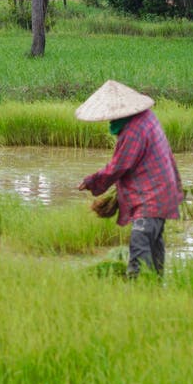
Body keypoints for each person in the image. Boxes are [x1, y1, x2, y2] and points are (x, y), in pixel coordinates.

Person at [76, 79, 183, 277]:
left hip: (151, 196)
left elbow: (119, 166)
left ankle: (138, 289)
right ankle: (154, 290)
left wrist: (92, 181)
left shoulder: (134, 130)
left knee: (140, 246)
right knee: (154, 246)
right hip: (162, 191)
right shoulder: (147, 117)